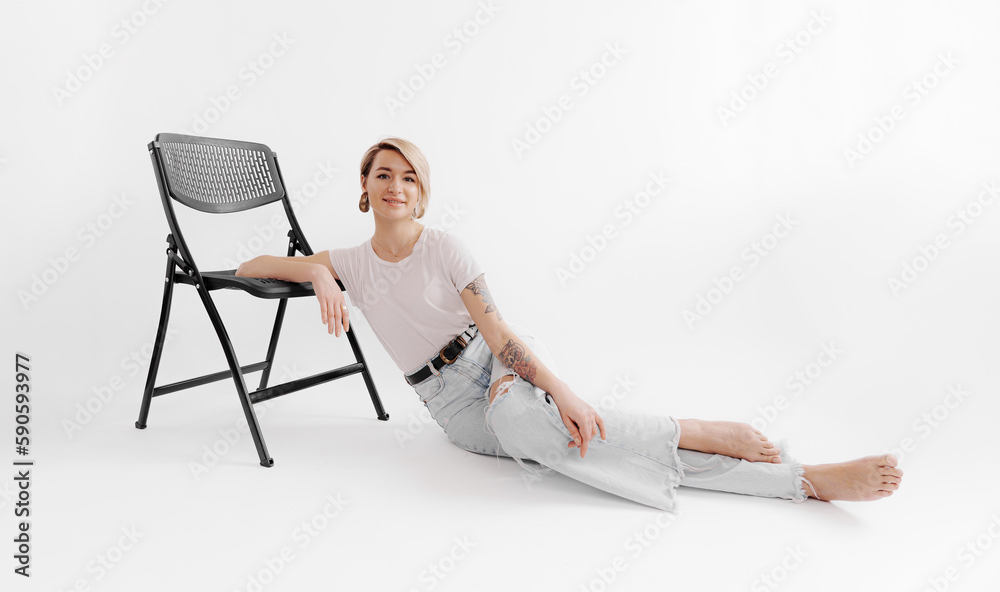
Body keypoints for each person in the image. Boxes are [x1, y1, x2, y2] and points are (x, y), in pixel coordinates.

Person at [236, 137, 903, 512]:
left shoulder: (447, 248)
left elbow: (502, 338)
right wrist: (319, 272)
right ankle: (781, 471)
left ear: (422, 193)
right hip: (449, 407)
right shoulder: (350, 260)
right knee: (572, 445)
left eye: (410, 178)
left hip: (491, 366)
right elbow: (251, 263)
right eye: (384, 174)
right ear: (364, 185)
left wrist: (566, 393)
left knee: (547, 423)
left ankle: (786, 472)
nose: (396, 187)